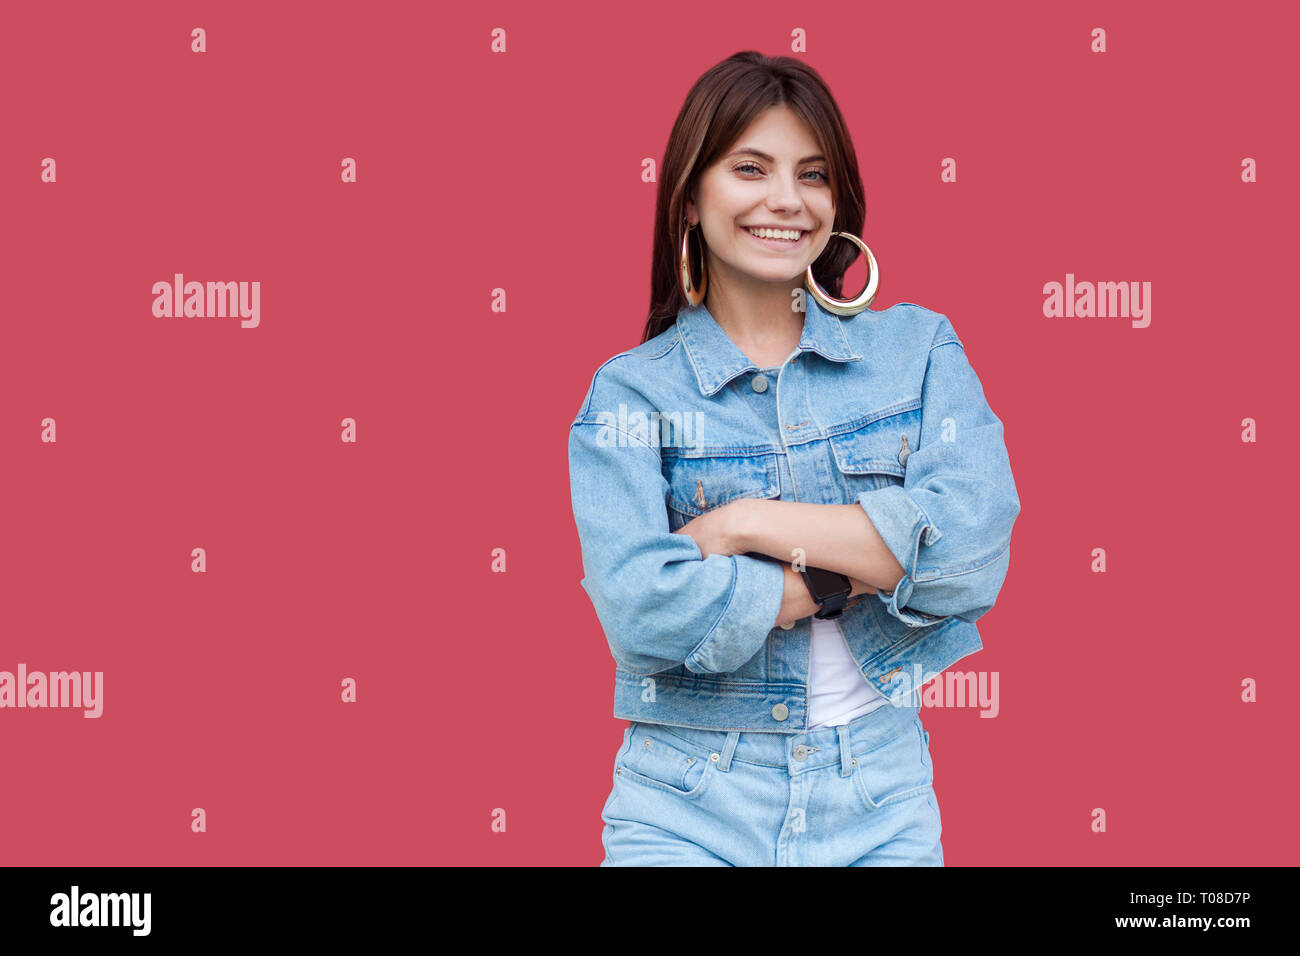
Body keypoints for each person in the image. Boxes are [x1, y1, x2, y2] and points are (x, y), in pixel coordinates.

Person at [567, 51, 1021, 866]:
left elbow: (970, 554)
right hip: (685, 805)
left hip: (880, 799)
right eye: (750, 167)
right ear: (689, 195)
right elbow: (640, 612)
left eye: (812, 174)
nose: (786, 200)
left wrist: (744, 524)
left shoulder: (918, 350)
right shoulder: (630, 396)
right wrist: (848, 568)